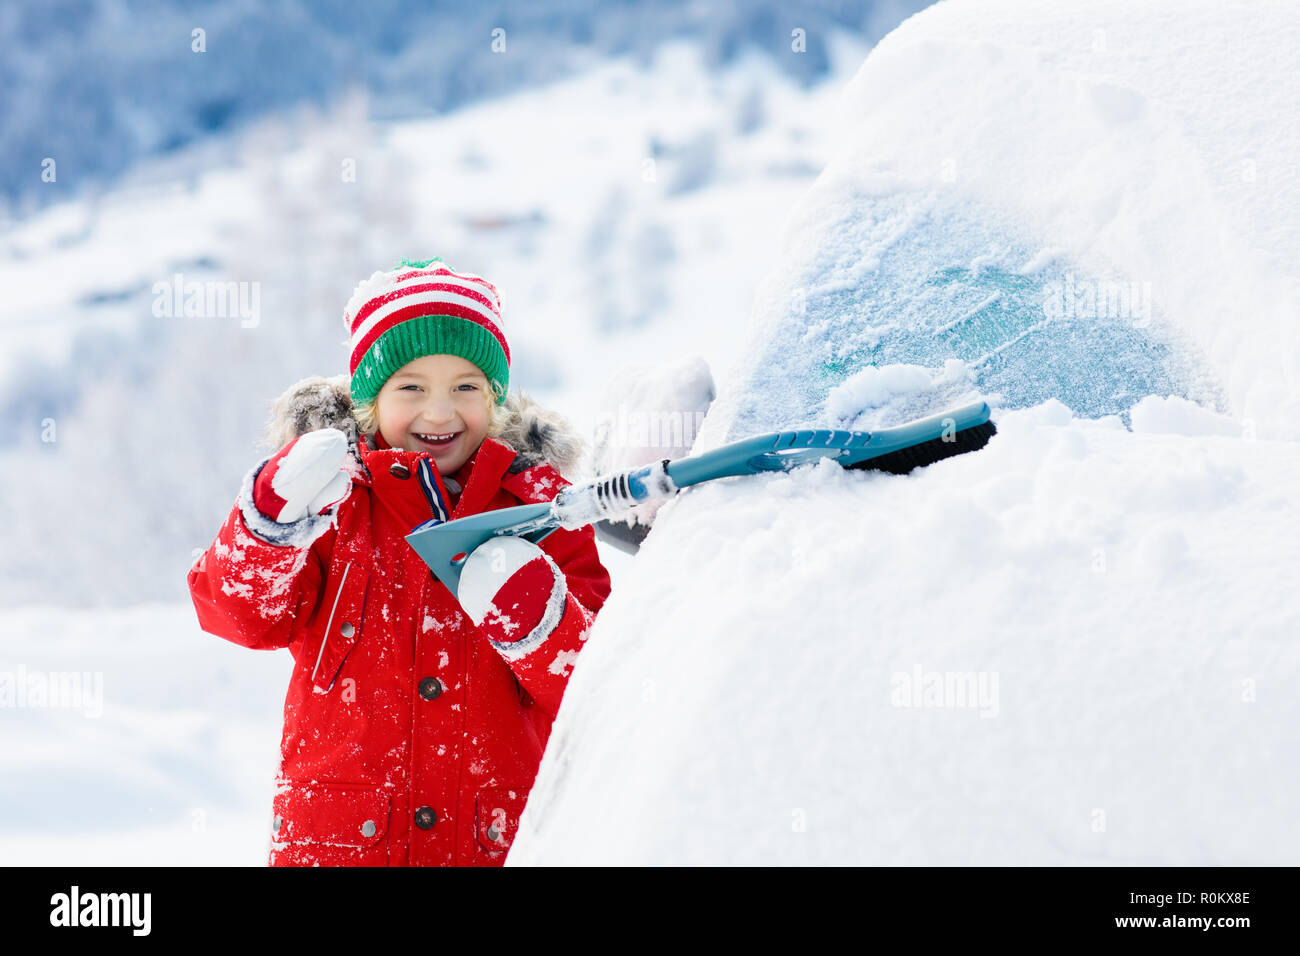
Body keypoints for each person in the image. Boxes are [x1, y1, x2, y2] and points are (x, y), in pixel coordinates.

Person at [187, 258, 612, 866]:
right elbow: (239, 616)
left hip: (496, 843)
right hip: (343, 846)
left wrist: (542, 627)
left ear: (495, 398)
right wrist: (270, 525)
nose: (439, 413)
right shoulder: (332, 501)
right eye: (410, 387)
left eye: (466, 387)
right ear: (370, 399)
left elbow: (597, 689)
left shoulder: (544, 509)